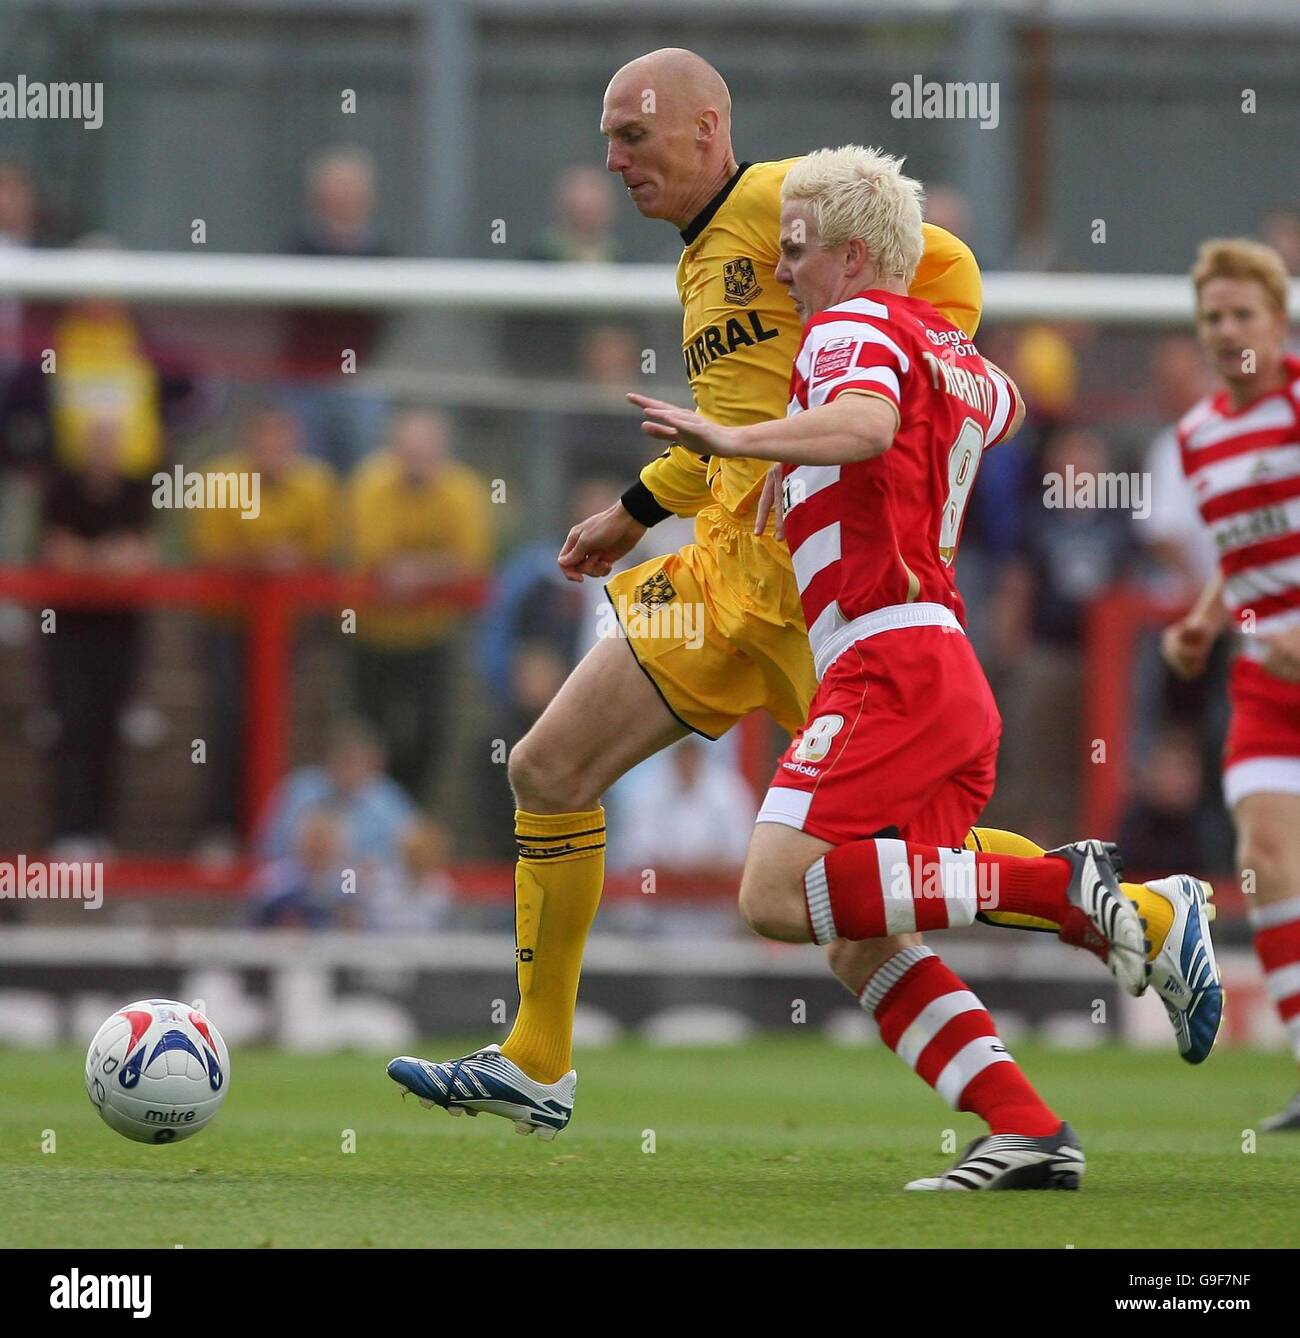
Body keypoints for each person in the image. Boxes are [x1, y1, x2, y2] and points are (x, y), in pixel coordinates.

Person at [386, 48, 1214, 1140]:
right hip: (719, 577)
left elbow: (947, 275)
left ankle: (1135, 923)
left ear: (705, 128)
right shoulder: (698, 264)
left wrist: (885, 383)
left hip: (819, 592)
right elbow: (724, 432)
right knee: (546, 767)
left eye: (631, 134)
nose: (612, 157)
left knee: (850, 897)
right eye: (606, 138)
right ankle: (539, 1060)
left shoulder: (788, 202)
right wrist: (633, 513)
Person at [1161, 239, 1300, 1131]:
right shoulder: (1197, 433)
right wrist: (1210, 617)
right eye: (1212, 317)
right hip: (1267, 679)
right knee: (1263, 856)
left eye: (1242, 313)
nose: (1226, 331)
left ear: (1278, 321)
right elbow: (1239, 545)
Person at [347, 408, 491, 801]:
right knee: (369, 733)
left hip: (431, 637)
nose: (417, 459)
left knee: (432, 733)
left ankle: (410, 813)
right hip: (371, 636)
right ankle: (371, 812)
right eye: (409, 449)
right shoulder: (370, 482)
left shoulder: (463, 490)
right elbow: (375, 559)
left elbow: (470, 561)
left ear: (441, 450)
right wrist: (436, 568)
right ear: (394, 449)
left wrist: (413, 572)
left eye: (426, 449)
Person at [41, 415, 156, 852]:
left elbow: (142, 554)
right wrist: (104, 561)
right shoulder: (62, 487)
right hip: (67, 629)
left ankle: (100, 832)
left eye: (111, 441)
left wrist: (90, 559)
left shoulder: (135, 489)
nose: (103, 450)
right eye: (96, 441)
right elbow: (57, 552)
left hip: (121, 630)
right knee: (72, 725)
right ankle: (70, 830)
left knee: (110, 728)